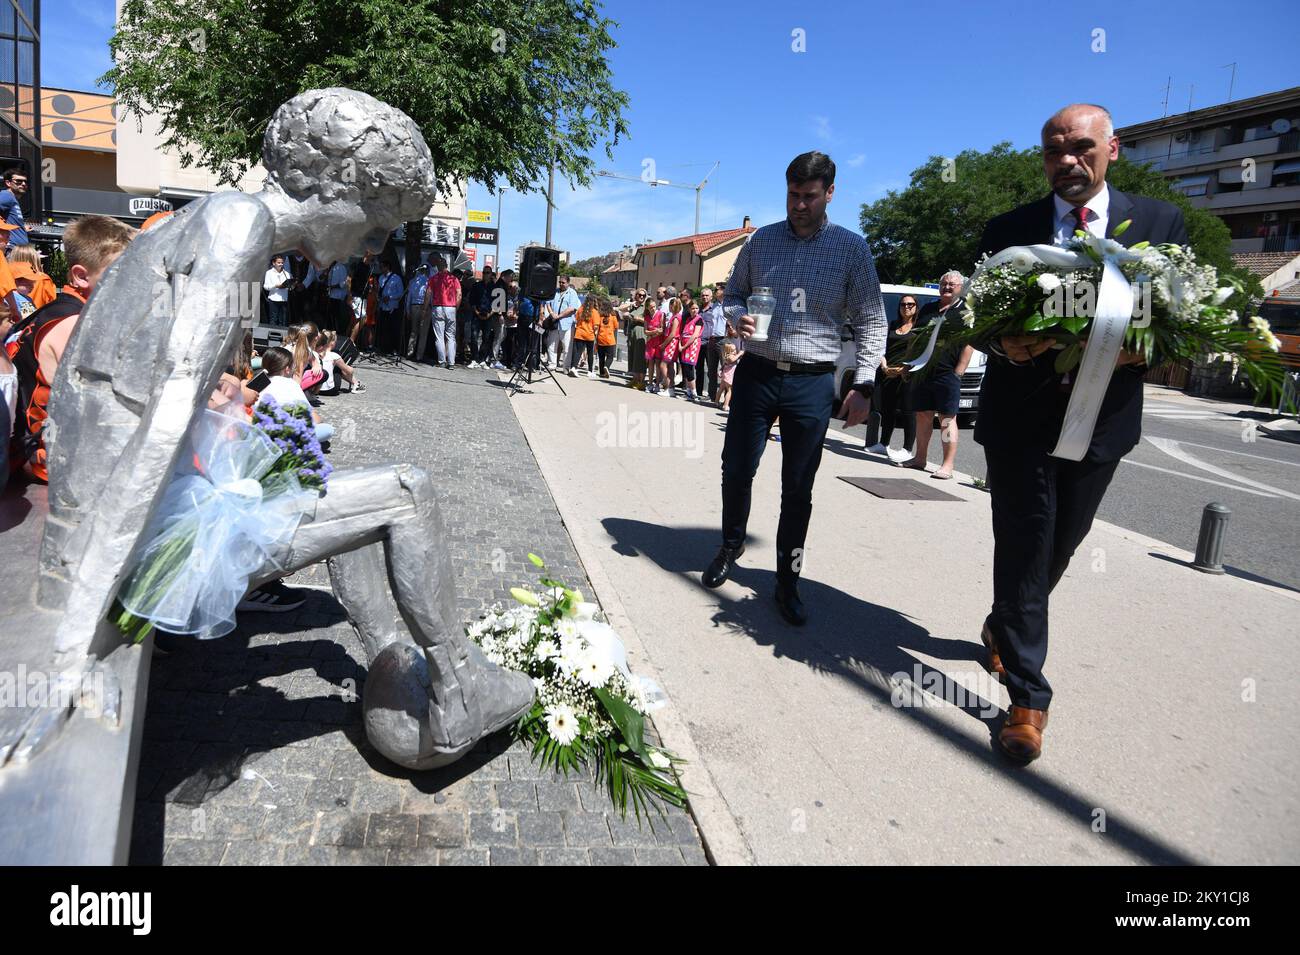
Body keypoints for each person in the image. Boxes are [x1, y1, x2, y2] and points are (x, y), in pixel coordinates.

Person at [974, 103, 1189, 764]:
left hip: (1104, 424)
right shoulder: (1008, 229)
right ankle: (1028, 698)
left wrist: (1147, 351)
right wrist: (1004, 341)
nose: (1066, 160)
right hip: (1019, 423)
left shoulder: (1159, 223)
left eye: (1081, 146)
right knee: (1025, 541)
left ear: (1112, 149)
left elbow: (1181, 318)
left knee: (1061, 543)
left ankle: (1003, 622)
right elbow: (973, 319)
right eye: (1053, 150)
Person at [705, 151, 886, 627]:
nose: (799, 205)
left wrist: (864, 382)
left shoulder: (852, 249)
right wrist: (733, 315)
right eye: (792, 195)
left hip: (811, 382)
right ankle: (731, 543)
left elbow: (871, 319)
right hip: (759, 372)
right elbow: (731, 293)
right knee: (736, 468)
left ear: (830, 193)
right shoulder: (762, 241)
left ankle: (788, 580)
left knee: (798, 489)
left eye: (809, 196)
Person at [11, 215, 137, 482]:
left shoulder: (52, 311)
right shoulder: (76, 325)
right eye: (121, 272)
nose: (133, 283)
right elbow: (107, 408)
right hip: (53, 465)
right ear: (81, 276)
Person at [899, 271, 972, 479]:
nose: (947, 287)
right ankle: (919, 458)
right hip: (922, 371)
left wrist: (960, 369)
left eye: (952, 284)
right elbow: (915, 337)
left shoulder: (965, 310)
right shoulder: (929, 308)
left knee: (947, 418)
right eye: (944, 283)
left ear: (961, 287)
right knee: (922, 415)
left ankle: (947, 465)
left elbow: (970, 343)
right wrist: (907, 363)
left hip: (947, 372)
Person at [866, 294, 919, 460]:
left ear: (916, 307)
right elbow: (882, 347)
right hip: (888, 373)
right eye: (903, 304)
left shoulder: (919, 328)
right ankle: (883, 444)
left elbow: (921, 352)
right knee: (887, 409)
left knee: (907, 411)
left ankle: (907, 449)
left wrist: (906, 369)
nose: (906, 307)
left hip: (908, 375)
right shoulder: (893, 325)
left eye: (910, 304)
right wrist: (884, 366)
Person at [259, 345, 335, 443]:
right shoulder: (291, 384)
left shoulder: (258, 381)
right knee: (327, 429)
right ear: (287, 369)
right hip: (281, 434)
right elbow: (312, 417)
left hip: (259, 429)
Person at [424, 256, 460, 369]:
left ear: (438, 267)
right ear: (447, 266)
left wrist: (425, 309)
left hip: (438, 307)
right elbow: (459, 294)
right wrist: (455, 308)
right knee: (451, 336)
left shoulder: (433, 278)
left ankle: (442, 361)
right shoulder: (454, 279)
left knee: (439, 336)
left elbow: (428, 293)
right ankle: (451, 362)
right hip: (451, 308)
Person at [544, 274, 581, 371]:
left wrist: (559, 316)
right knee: (551, 344)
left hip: (566, 323)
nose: (561, 284)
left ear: (568, 283)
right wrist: (552, 313)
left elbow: (572, 308)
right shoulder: (555, 292)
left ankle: (566, 366)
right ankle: (552, 364)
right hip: (554, 322)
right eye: (560, 282)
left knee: (567, 347)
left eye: (563, 282)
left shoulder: (572, 293)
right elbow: (548, 303)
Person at [698, 284, 727, 402]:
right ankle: (712, 396)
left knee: (725, 369)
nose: (715, 291)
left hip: (724, 339)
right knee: (711, 370)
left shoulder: (728, 305)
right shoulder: (714, 306)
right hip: (712, 339)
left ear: (724, 291)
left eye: (717, 289)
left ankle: (727, 398)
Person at [620, 289, 649, 389]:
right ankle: (635, 379)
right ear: (635, 295)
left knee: (640, 358)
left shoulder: (646, 307)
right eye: (640, 295)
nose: (641, 297)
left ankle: (641, 381)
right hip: (632, 333)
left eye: (643, 296)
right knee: (632, 356)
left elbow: (650, 321)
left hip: (641, 333)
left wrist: (638, 319)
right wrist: (631, 303)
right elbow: (620, 308)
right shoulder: (632, 306)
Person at [677, 300, 704, 400]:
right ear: (689, 309)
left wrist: (684, 346)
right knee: (684, 367)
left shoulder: (699, 319)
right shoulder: (687, 319)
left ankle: (694, 393)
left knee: (689, 368)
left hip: (692, 346)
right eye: (693, 308)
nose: (695, 310)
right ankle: (688, 391)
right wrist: (680, 344)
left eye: (697, 308)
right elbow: (682, 333)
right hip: (684, 344)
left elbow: (695, 335)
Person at [376, 259, 405, 354]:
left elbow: (400, 293)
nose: (380, 269)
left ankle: (393, 349)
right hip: (382, 306)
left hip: (392, 307)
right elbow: (379, 291)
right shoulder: (380, 278)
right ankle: (383, 348)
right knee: (383, 328)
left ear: (387, 267)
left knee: (392, 329)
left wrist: (390, 297)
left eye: (382, 267)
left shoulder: (396, 278)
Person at [656, 298, 682, 396]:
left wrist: (664, 344)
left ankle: (668, 386)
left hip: (671, 343)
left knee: (663, 365)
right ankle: (670, 388)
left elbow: (672, 334)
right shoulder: (674, 316)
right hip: (672, 342)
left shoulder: (676, 318)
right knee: (670, 365)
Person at [569, 294, 598, 378]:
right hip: (589, 334)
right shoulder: (594, 312)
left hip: (579, 333)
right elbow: (595, 326)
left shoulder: (580, 309)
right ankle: (589, 371)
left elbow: (576, 319)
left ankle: (574, 367)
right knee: (590, 353)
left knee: (578, 352)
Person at [405, 262, 428, 358]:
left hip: (414, 306)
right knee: (423, 332)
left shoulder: (413, 281)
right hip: (424, 307)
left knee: (414, 331)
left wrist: (407, 310)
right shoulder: (428, 281)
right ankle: (419, 355)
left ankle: (410, 352)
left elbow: (408, 297)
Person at [0, 168, 29, 245]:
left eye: (25, 181)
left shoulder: (12, 198)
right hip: (11, 249)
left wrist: (21, 227)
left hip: (17, 250)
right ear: (8, 183)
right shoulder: (6, 196)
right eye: (19, 181)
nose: (23, 184)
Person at [263, 254, 293, 327]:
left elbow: (289, 287)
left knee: (282, 320)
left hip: (283, 299)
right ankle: (272, 336)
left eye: (282, 263)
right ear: (274, 263)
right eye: (278, 263)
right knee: (273, 319)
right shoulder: (269, 273)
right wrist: (275, 286)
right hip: (273, 299)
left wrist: (291, 286)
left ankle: (282, 338)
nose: (280, 264)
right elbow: (266, 286)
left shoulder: (287, 274)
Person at [595, 297, 618, 379]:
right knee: (610, 356)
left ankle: (601, 373)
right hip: (610, 339)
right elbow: (616, 326)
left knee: (601, 357)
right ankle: (607, 367)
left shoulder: (599, 316)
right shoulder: (613, 316)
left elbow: (597, 326)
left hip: (601, 339)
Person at [716, 341, 741, 412]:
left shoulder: (726, 356)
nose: (735, 351)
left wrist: (720, 370)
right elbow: (734, 359)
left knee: (721, 389)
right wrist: (740, 353)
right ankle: (726, 405)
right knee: (729, 391)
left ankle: (716, 402)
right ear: (728, 351)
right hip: (729, 376)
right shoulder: (730, 357)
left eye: (735, 350)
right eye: (733, 350)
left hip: (725, 375)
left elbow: (723, 365)